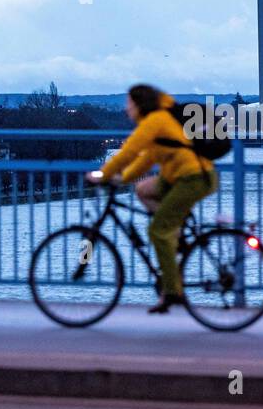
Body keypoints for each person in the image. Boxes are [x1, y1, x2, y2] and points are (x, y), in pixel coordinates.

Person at [86, 84, 217, 313]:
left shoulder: (154, 121)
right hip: (177, 175)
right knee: (143, 190)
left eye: (129, 104)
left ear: (139, 104)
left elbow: (128, 152)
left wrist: (105, 175)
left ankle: (173, 291)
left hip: (193, 178)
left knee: (157, 231)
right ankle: (174, 232)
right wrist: (123, 178)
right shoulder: (157, 122)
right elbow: (146, 159)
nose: (126, 109)